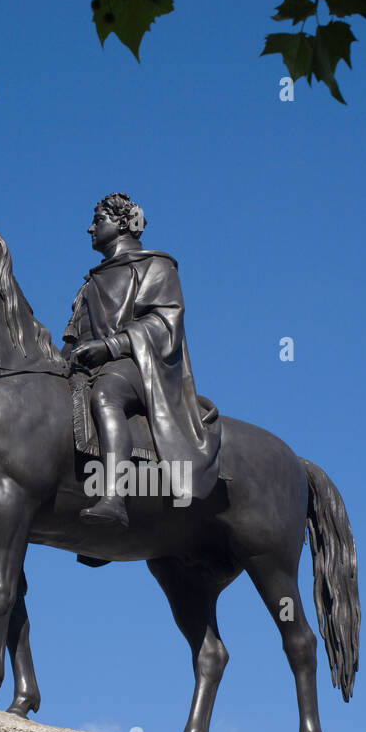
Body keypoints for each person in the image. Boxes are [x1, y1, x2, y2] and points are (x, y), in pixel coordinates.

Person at [63, 192, 221, 528]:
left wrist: (110, 346)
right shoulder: (88, 285)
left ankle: (114, 497)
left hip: (140, 366)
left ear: (122, 223)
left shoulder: (156, 266)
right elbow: (74, 338)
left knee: (106, 394)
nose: (89, 228)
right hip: (91, 367)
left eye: (98, 219)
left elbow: (163, 325)